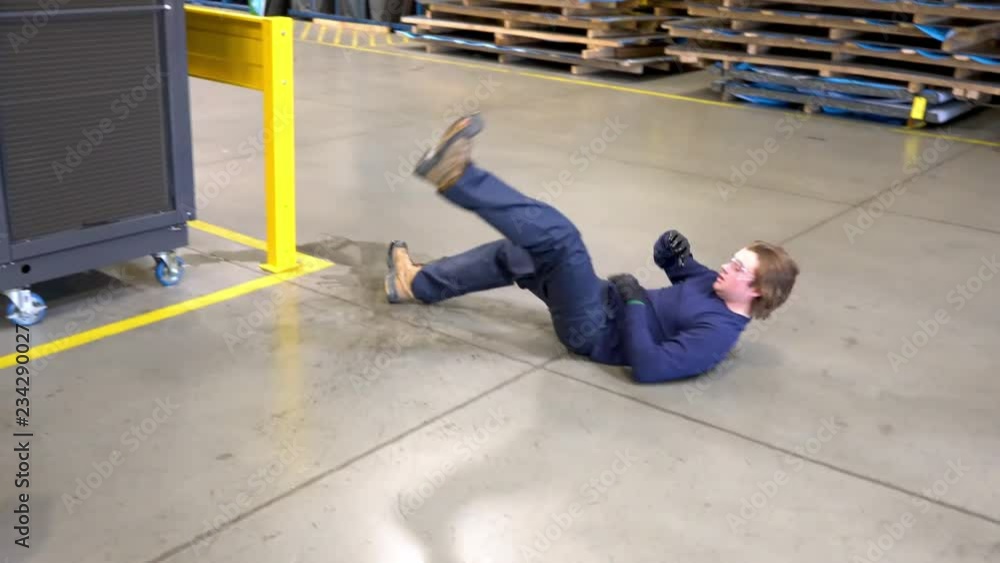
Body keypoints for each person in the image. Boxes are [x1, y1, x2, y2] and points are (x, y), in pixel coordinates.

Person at [384, 113, 799, 383]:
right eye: (734, 258)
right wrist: (673, 252)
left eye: (740, 268)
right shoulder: (716, 284)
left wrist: (635, 304)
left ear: (758, 291)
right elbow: (679, 268)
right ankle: (415, 284)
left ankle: (457, 177)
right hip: (603, 299)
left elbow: (649, 368)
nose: (727, 265)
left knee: (562, 240)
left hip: (597, 331)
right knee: (519, 254)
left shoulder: (717, 336)